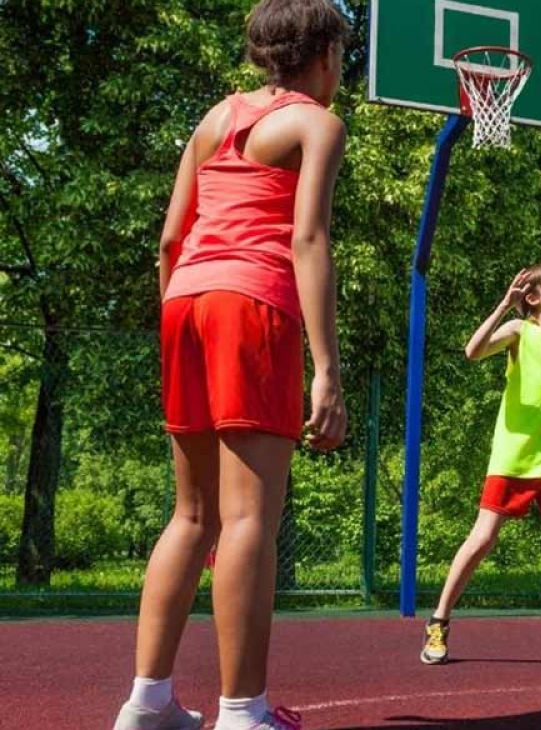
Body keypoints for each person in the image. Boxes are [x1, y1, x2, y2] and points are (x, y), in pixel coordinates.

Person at [113, 2, 350, 729]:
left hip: (184, 302)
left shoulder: (214, 119)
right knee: (250, 517)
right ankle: (243, 712)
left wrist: (182, 315)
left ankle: (147, 703)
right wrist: (327, 368)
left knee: (192, 515)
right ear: (324, 56)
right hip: (253, 303)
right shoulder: (317, 123)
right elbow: (307, 239)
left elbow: (168, 240)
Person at [421, 265, 541, 667]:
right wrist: (502, 306)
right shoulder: (518, 331)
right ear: (532, 297)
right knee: (482, 540)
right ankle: (439, 620)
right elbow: (472, 352)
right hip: (515, 456)